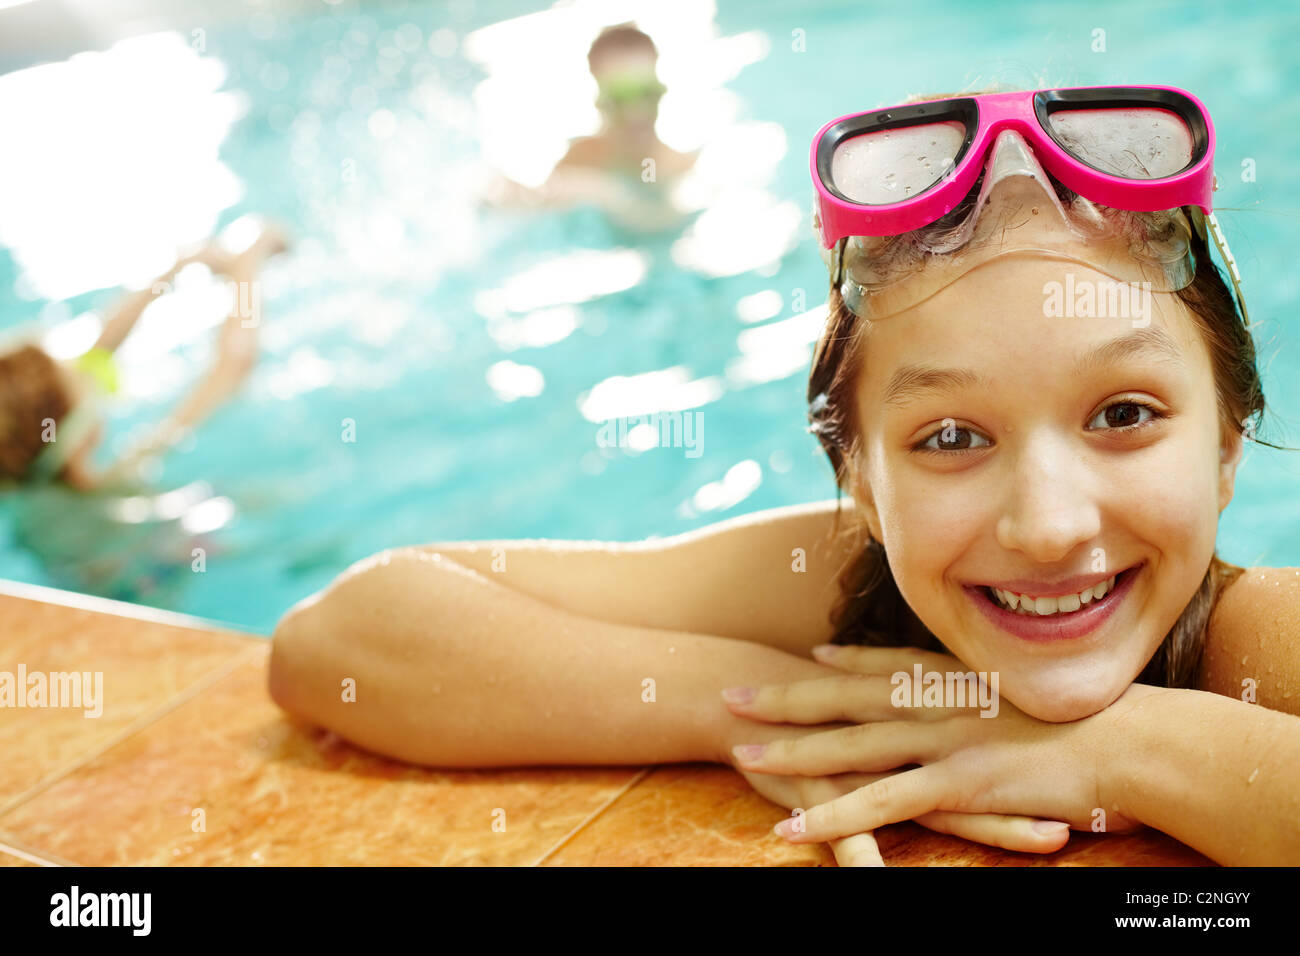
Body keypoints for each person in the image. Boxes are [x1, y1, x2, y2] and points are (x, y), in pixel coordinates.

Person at [267, 85, 1300, 867]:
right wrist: (762, 708)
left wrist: (1135, 748)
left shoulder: (1249, 638)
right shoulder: (841, 585)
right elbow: (341, 637)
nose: (1044, 523)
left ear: (1222, 448)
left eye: (1122, 415)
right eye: (948, 438)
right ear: (858, 478)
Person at [0, 217, 288, 491]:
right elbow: (234, 366)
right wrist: (250, 259)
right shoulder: (114, 479)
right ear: (78, 446)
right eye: (84, 381)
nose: (87, 367)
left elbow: (102, 346)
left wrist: (177, 266)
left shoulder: (26, 470)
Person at [482, 23, 698, 230]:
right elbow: (531, 208)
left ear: (662, 92)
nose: (636, 114)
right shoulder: (583, 157)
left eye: (646, 94)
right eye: (619, 100)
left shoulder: (671, 165)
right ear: (600, 103)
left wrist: (611, 195)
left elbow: (665, 223)